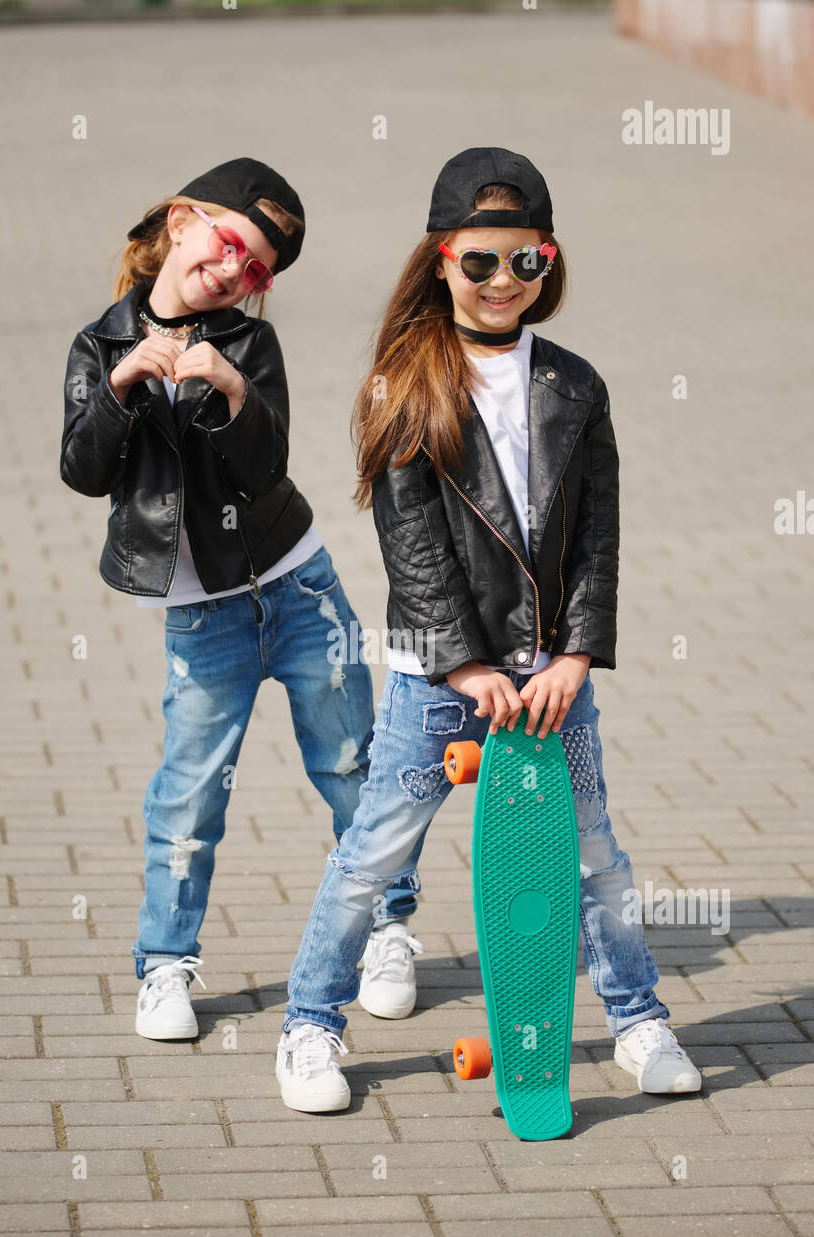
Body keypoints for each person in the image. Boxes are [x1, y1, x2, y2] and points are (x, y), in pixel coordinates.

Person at [276, 147, 701, 1113]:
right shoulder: (405, 383)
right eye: (480, 262)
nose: (503, 281)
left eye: (526, 261)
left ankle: (638, 1023)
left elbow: (597, 534)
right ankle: (309, 1027)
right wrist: (465, 667)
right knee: (373, 856)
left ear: (547, 264)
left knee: (596, 859)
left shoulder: (575, 385)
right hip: (437, 684)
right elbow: (411, 546)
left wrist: (578, 655)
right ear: (440, 259)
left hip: (554, 683)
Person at [60, 157, 419, 1041]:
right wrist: (120, 388)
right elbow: (82, 469)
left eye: (255, 270)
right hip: (201, 619)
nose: (233, 272)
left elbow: (266, 465)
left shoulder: (248, 347)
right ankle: (167, 966)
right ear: (181, 222)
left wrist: (225, 390)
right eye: (229, 244)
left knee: (351, 766)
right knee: (188, 794)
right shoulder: (99, 344)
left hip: (301, 589)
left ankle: (387, 926)